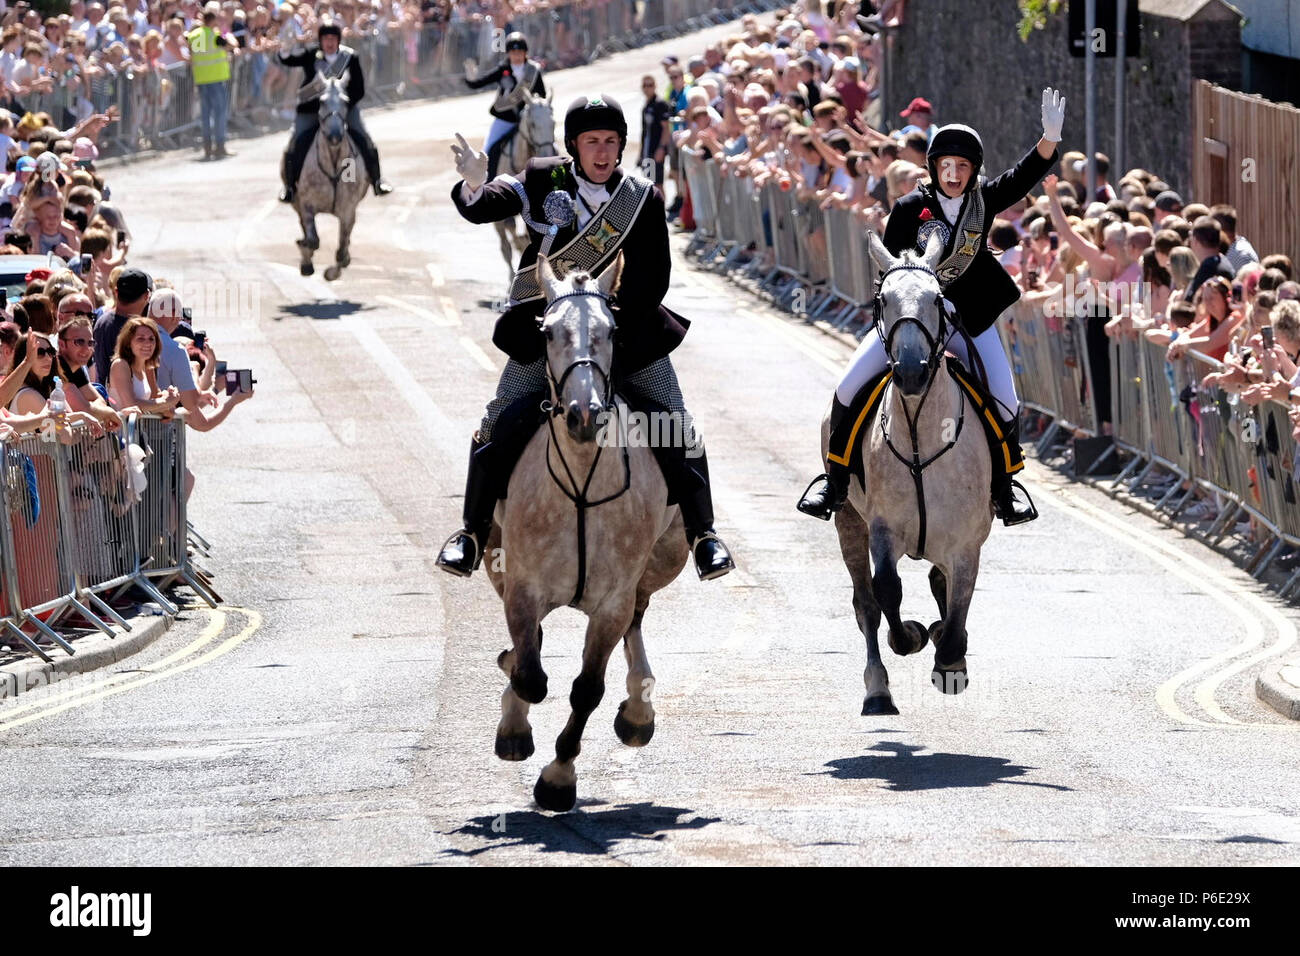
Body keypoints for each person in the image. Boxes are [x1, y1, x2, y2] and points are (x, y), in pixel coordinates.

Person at [437, 93, 735, 582]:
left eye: (611, 143)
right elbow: (492, 204)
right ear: (574, 145)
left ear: (621, 147)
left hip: (624, 333)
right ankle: (469, 534)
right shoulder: (543, 176)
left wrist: (603, 322)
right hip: (550, 335)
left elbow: (654, 276)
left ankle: (705, 535)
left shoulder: (642, 196)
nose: (602, 152)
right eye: (592, 142)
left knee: (678, 425)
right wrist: (474, 184)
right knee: (497, 422)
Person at [798, 88, 1068, 526]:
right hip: (911, 322)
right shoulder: (908, 208)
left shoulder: (985, 201)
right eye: (947, 166)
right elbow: (887, 274)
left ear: (973, 170)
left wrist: (1049, 139)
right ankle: (836, 481)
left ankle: (1005, 488)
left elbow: (1022, 176)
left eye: (963, 167)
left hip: (968, 321)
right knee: (847, 388)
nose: (955, 174)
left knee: (1005, 399)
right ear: (934, 167)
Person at [277, 20, 392, 203]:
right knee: (295, 142)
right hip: (312, 109)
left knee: (364, 139)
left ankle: (375, 181)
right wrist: (284, 48)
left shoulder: (350, 57)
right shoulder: (311, 55)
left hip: (343, 110)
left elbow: (359, 89)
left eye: (333, 38)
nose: (329, 42)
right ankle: (290, 187)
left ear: (338, 40)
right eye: (325, 39)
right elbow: (289, 60)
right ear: (320, 41)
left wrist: (340, 103)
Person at [462, 32, 545, 183]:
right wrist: (470, 78)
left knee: (546, 144)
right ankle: (486, 183)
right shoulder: (503, 69)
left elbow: (542, 95)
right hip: (505, 119)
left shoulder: (533, 71)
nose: (517, 55)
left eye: (520, 52)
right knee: (488, 149)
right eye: (513, 52)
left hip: (527, 121)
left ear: (525, 53)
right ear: (508, 53)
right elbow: (480, 82)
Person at [186, 5, 233, 161]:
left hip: (201, 79)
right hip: (216, 78)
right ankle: (220, 146)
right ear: (212, 20)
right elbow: (230, 46)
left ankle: (207, 147)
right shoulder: (214, 35)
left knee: (205, 115)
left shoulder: (194, 35)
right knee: (219, 114)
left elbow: (194, 54)